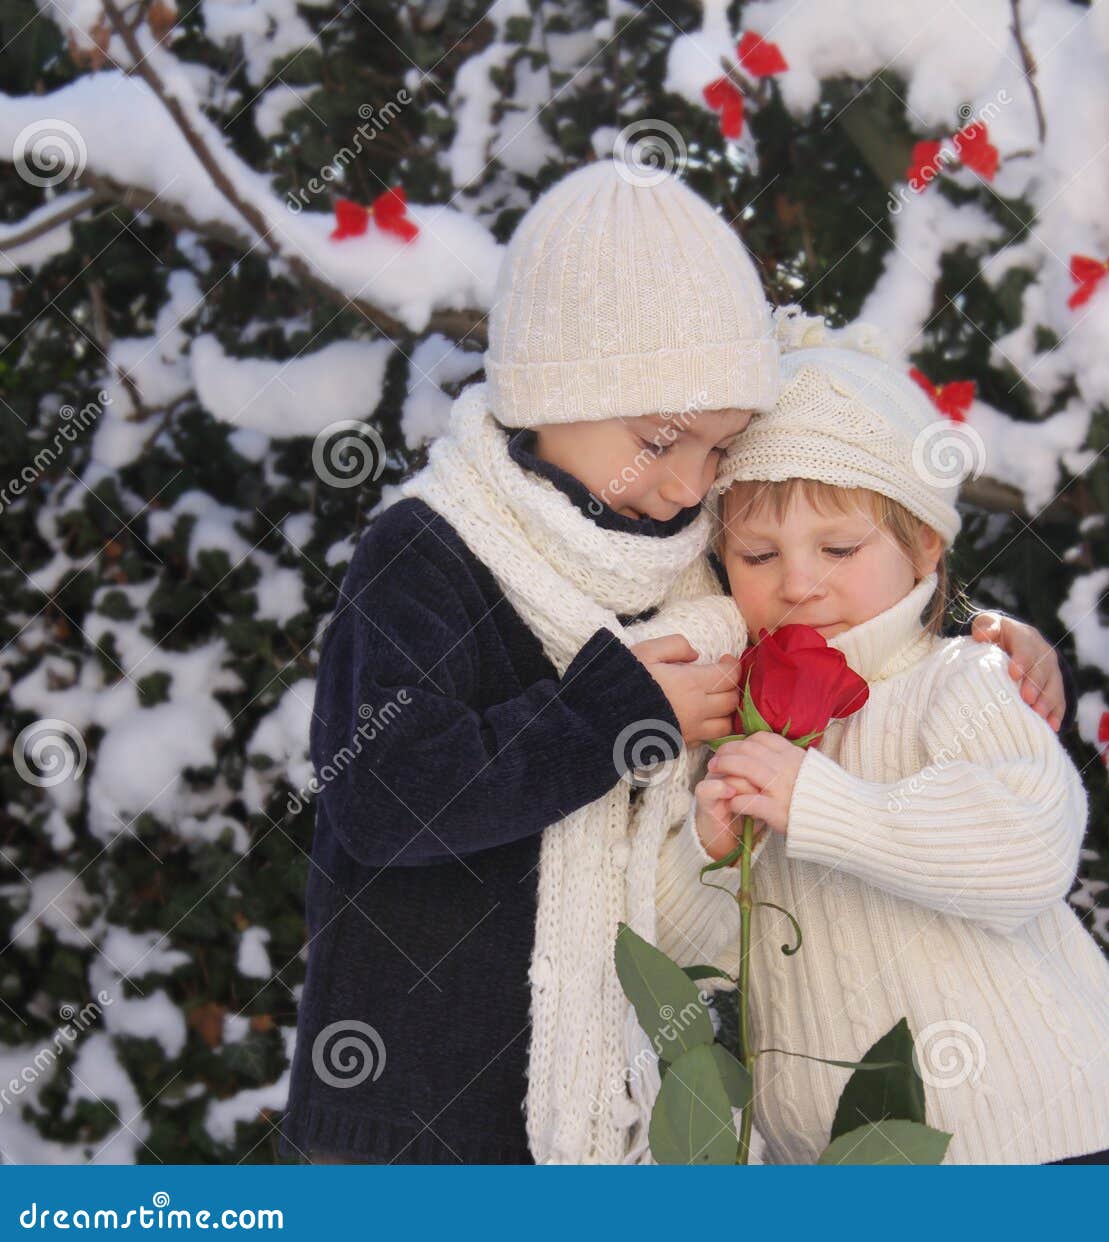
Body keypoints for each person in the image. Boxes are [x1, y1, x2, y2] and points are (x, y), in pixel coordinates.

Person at [278, 163, 1068, 1164]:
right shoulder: (429, 553)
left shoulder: (680, 565)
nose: (691, 485)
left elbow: (842, 600)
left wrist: (985, 639)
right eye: (661, 441)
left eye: (720, 447)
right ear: (549, 394)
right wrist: (611, 716)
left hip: (607, 1118)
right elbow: (384, 796)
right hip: (407, 1114)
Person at [656, 326, 1109, 1164]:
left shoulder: (959, 679)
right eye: (757, 553)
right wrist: (707, 853)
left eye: (838, 547)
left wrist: (824, 804)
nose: (798, 581)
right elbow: (678, 953)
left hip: (1042, 1142)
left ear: (925, 542)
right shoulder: (737, 736)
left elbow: (1031, 846)